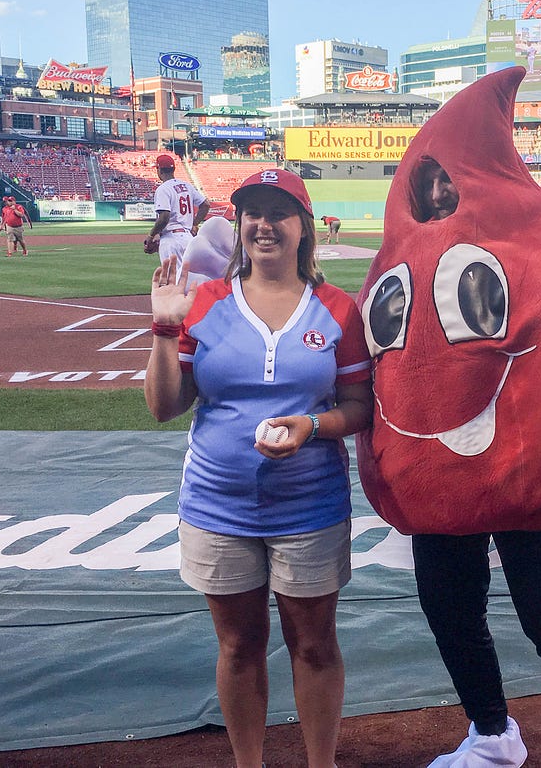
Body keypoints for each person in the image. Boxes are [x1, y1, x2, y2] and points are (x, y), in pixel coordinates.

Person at [357, 67, 541, 768]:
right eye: (430, 181)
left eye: (451, 176)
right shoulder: (400, 252)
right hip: (436, 462)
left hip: (524, 455)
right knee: (449, 610)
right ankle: (491, 734)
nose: (440, 191)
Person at [145, 168, 373, 768]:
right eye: (252, 213)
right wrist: (166, 328)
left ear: (304, 227)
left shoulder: (338, 310)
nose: (264, 225)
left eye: (279, 213)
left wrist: (311, 427)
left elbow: (358, 408)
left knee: (315, 644)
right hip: (217, 505)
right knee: (239, 646)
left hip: (311, 505)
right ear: (240, 224)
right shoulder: (206, 303)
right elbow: (165, 406)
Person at [146, 152, 209, 270]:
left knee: (173, 281)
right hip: (188, 238)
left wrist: (151, 235)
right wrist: (195, 224)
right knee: (189, 278)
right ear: (173, 169)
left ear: (159, 170)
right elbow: (205, 204)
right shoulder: (186, 185)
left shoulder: (163, 189)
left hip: (171, 240)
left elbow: (164, 217)